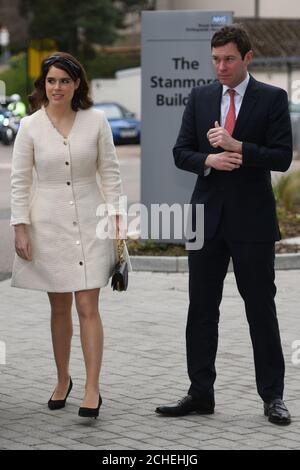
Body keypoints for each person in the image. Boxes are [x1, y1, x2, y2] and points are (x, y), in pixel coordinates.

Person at [156, 24, 292, 425]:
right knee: (201, 310)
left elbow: (282, 156)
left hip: (252, 221)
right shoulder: (200, 97)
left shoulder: (272, 98)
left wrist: (239, 149)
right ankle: (200, 394)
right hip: (205, 218)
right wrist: (209, 160)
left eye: (228, 59)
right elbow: (181, 152)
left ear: (247, 58)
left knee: (260, 310)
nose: (220, 66)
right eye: (215, 59)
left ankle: (273, 397)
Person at [10, 52, 127, 419]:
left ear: (77, 84)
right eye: (51, 81)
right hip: (47, 225)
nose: (57, 87)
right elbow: (19, 181)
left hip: (92, 223)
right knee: (59, 307)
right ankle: (63, 378)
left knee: (88, 306)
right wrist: (20, 227)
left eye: (64, 80)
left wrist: (119, 221)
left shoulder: (96, 121)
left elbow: (110, 173)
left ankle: (93, 388)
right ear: (42, 85)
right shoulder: (29, 126)